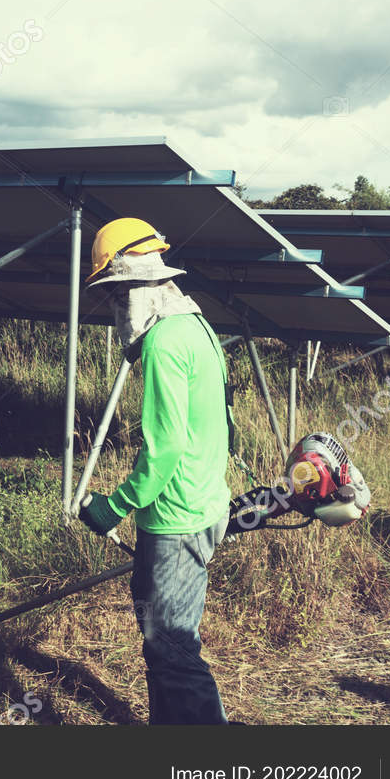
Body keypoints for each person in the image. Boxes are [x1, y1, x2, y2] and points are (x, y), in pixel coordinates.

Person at [76, 217, 232, 724]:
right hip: (204, 507)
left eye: (119, 295)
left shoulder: (165, 342)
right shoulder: (199, 328)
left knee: (172, 651)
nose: (116, 308)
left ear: (140, 287)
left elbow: (165, 447)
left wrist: (112, 506)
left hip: (176, 519)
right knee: (163, 647)